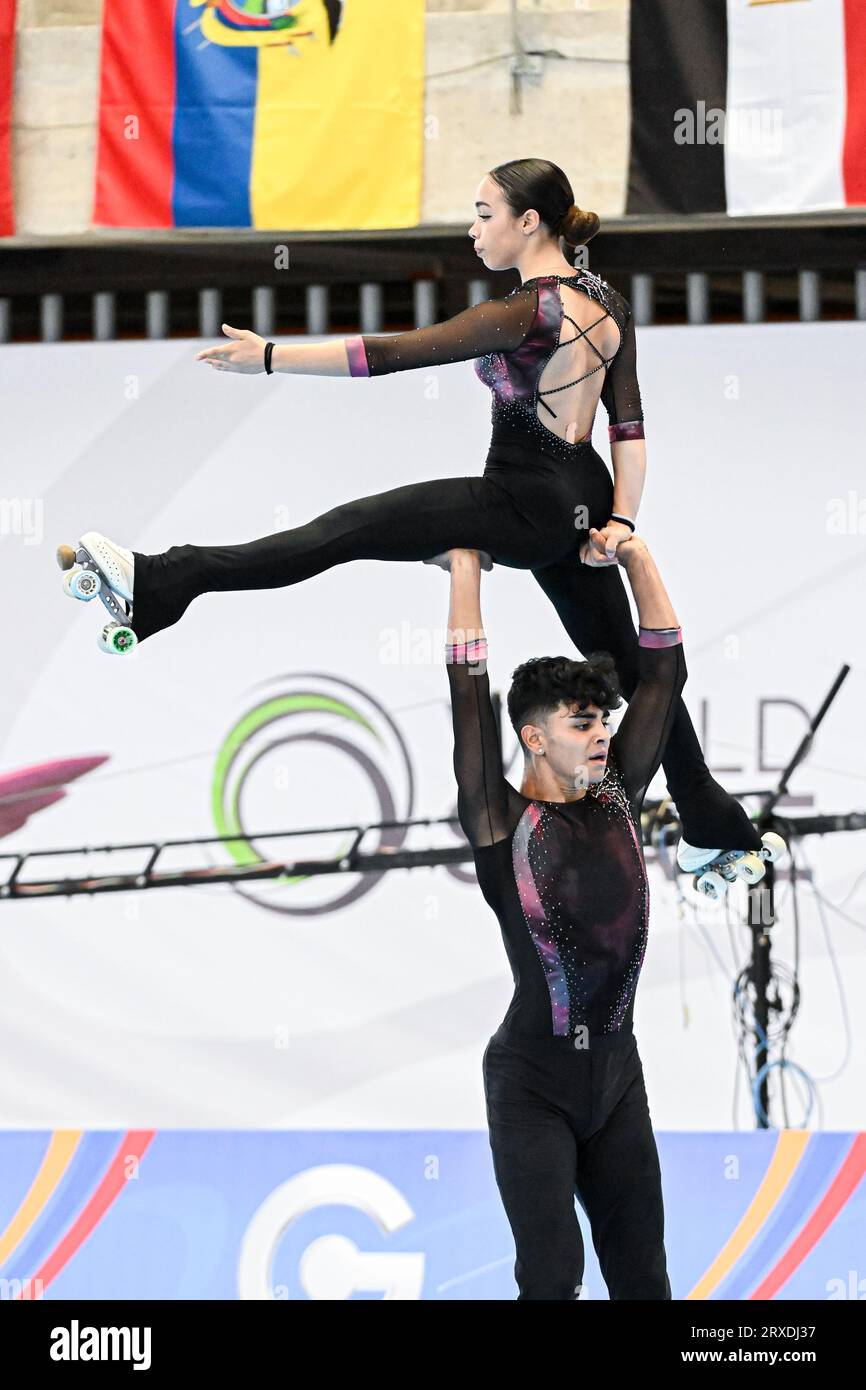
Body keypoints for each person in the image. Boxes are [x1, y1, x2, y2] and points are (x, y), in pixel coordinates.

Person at [65, 157, 759, 855]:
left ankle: (162, 580)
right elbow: (628, 429)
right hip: (583, 496)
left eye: (486, 215)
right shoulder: (609, 303)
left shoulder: (527, 311)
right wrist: (620, 522)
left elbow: (392, 354)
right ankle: (711, 819)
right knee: (637, 670)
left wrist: (272, 355)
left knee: (344, 530)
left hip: (520, 503)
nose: (472, 230)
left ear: (529, 222)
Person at [442, 533, 683, 1299]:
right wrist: (465, 569)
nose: (602, 735)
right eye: (582, 724)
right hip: (532, 1086)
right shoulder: (499, 819)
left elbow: (665, 674)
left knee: (643, 1278)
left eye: (602, 722)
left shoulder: (618, 798)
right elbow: (467, 692)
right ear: (533, 737)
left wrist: (638, 559)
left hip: (617, 1078)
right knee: (551, 1278)